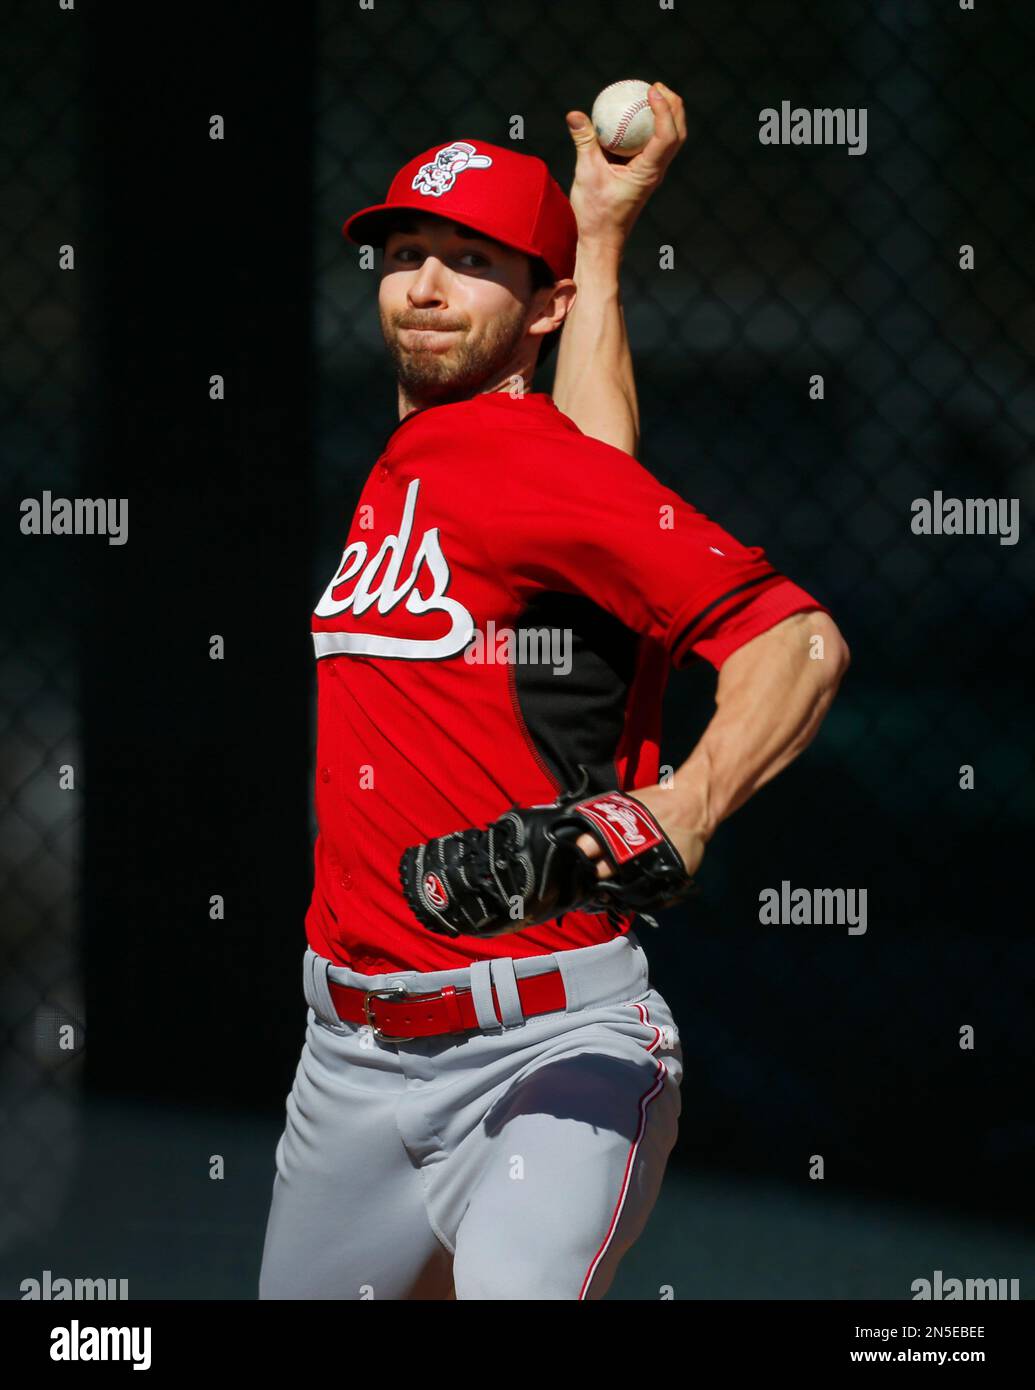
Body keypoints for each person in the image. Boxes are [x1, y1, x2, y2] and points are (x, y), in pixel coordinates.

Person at [259, 84, 850, 1301]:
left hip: (553, 1049)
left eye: (470, 262)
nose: (423, 282)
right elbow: (597, 485)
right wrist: (602, 229)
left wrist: (685, 807)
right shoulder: (429, 455)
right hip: (347, 1061)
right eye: (406, 252)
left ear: (543, 306)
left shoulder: (520, 460)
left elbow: (799, 644)